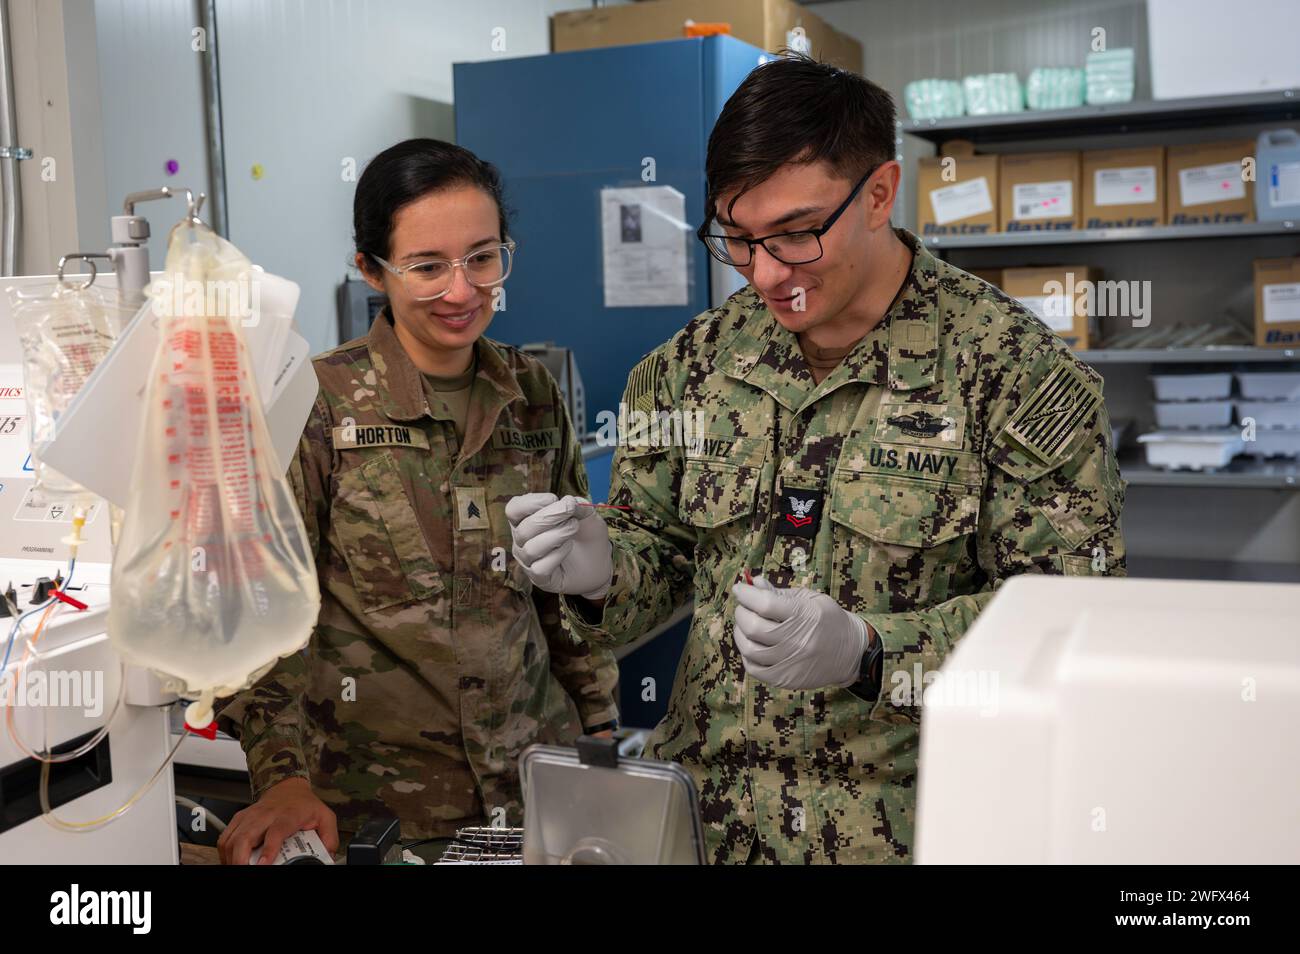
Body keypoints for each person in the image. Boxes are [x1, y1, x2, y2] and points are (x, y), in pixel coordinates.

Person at [506, 55, 1125, 864]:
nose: (765, 272)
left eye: (796, 234)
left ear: (878, 193)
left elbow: (1069, 628)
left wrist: (869, 651)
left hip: (913, 827)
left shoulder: (1014, 376)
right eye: (737, 238)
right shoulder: (689, 367)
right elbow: (655, 562)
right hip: (706, 824)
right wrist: (601, 569)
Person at [217, 139, 619, 864]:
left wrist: (599, 731)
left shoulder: (533, 396)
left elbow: (560, 599)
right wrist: (281, 779)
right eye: (428, 266)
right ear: (371, 268)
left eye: (482, 258)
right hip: (387, 813)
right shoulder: (317, 403)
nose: (462, 291)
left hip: (537, 790)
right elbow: (270, 615)